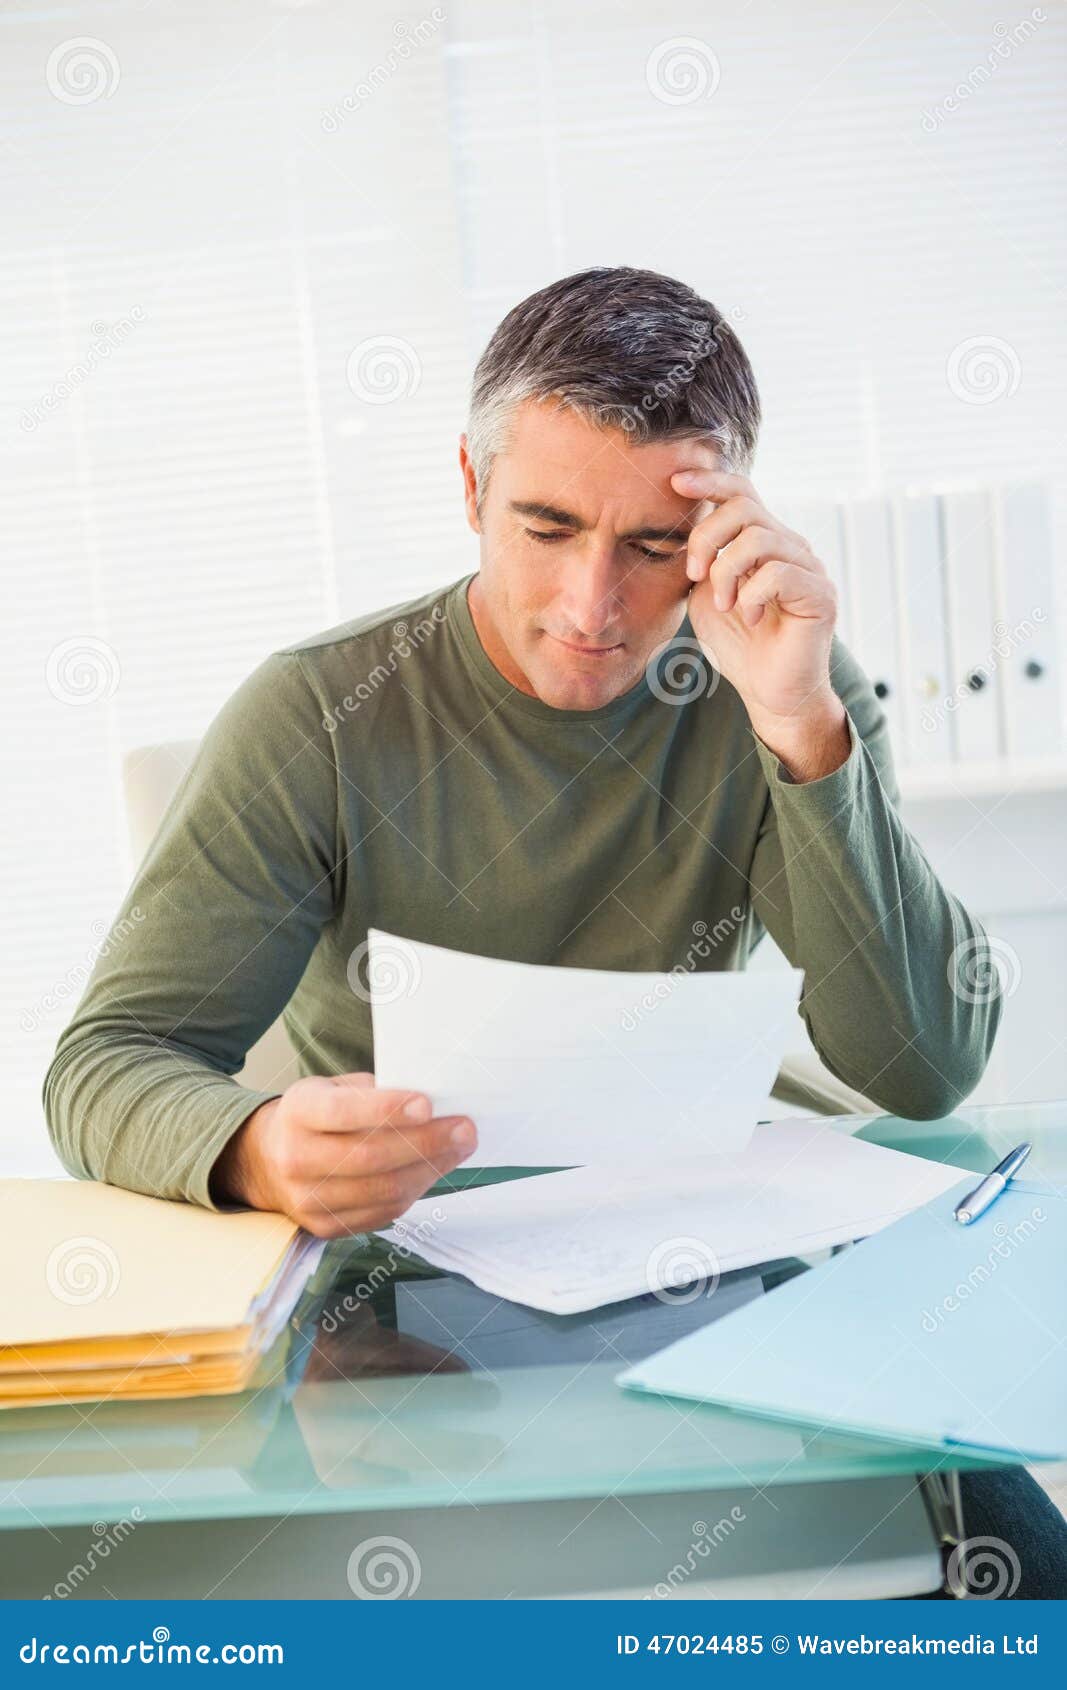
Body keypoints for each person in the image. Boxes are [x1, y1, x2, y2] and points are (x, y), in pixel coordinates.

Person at [46, 264, 1002, 1231]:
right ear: (471, 486)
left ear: (720, 531)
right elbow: (103, 1065)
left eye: (653, 545)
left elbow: (920, 1072)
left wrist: (798, 726)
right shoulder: (316, 713)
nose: (591, 607)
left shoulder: (785, 687)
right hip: (399, 1261)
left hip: (681, 1231)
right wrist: (254, 1150)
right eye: (547, 529)